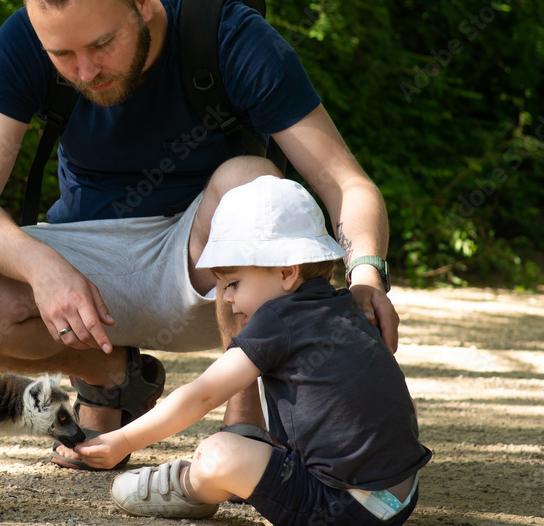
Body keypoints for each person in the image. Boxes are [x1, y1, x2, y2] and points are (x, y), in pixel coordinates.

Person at [0, 0, 397, 469]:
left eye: (102, 44)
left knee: (249, 176)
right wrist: (41, 267)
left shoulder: (227, 35)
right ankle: (111, 380)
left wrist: (366, 275)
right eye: (63, 56)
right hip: (84, 263)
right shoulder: (25, 40)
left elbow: (346, 183)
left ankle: (245, 423)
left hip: (211, 266)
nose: (86, 71)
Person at [75, 175, 432, 524]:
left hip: (343, 507)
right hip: (400, 496)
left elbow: (201, 396)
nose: (226, 298)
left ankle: (192, 485)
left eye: (233, 283)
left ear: (286, 273)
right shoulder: (347, 307)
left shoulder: (278, 319)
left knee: (219, 451)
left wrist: (122, 440)